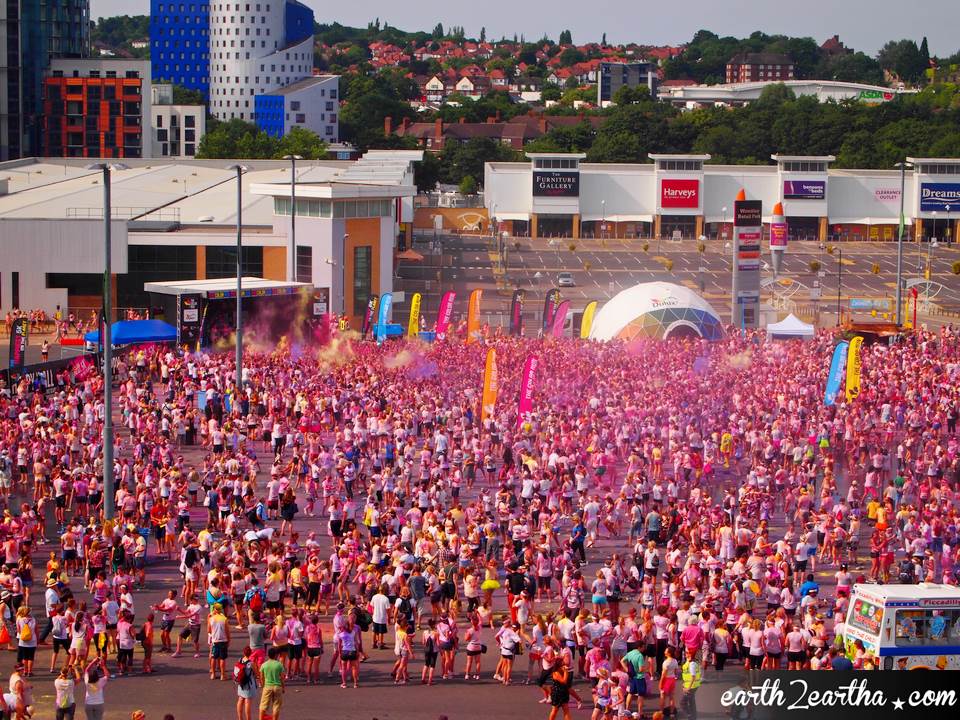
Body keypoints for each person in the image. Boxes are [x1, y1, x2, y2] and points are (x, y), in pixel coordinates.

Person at [258, 647, 284, 720]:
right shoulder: (279, 665)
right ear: (275, 655)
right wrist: (283, 687)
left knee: (263, 706)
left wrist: (263, 686)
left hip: (267, 686)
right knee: (276, 706)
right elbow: (282, 678)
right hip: (277, 686)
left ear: (268, 655)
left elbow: (261, 677)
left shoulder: (264, 665)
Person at [208, 602, 231, 681]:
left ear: (214, 609)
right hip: (223, 640)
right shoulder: (224, 619)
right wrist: (229, 640)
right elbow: (227, 631)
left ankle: (213, 674)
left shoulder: (211, 619)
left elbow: (209, 631)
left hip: (215, 640)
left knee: (214, 657)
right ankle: (222, 675)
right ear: (220, 610)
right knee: (222, 658)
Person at [234, 645, 258, 720]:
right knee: (247, 701)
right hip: (249, 684)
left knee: (240, 699)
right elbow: (256, 673)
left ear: (244, 653)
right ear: (250, 653)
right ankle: (248, 718)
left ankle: (240, 718)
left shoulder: (240, 660)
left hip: (241, 682)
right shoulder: (251, 663)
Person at [681, 656, 702, 720]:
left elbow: (693, 676)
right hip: (693, 686)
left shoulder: (692, 664)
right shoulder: (692, 663)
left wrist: (688, 688)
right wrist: (684, 685)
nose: (686, 655)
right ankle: (693, 717)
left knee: (683, 702)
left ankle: (690, 716)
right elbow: (687, 675)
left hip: (691, 687)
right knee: (691, 702)